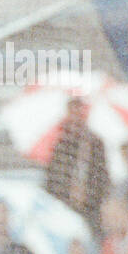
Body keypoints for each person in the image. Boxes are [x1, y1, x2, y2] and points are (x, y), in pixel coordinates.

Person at [43, 96, 110, 236]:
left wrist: (87, 194)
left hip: (90, 210)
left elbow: (102, 178)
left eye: (78, 113)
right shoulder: (61, 145)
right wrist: (66, 194)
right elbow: (52, 179)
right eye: (72, 112)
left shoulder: (94, 143)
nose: (75, 117)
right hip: (64, 209)